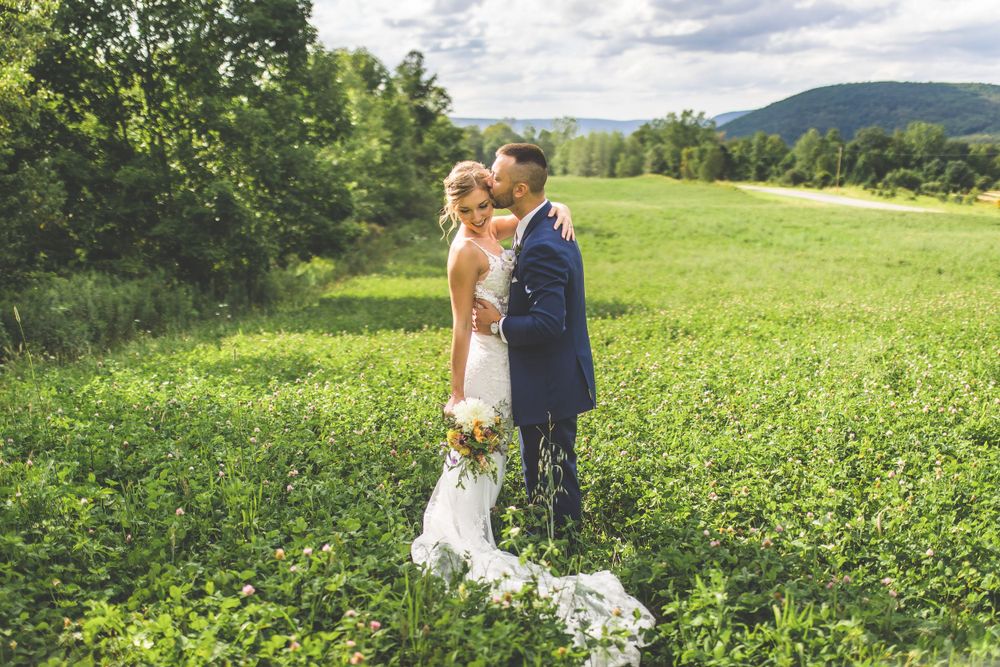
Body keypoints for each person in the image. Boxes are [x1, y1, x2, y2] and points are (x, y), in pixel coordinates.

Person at [411, 157, 654, 666]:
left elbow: (533, 216)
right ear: (449, 209)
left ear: (493, 194)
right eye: (465, 210)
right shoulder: (462, 253)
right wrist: (455, 393)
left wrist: (560, 205)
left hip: (512, 358)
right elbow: (458, 327)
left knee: (504, 454)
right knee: (479, 453)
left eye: (483, 203)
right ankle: (469, 532)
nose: (477, 217)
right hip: (485, 361)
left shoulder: (501, 225)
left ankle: (522, 527)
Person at [473, 143, 594, 535]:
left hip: (550, 378)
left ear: (520, 190)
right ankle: (552, 536)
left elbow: (547, 323)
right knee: (544, 465)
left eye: (497, 176)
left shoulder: (543, 242)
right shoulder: (539, 223)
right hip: (548, 375)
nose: (490, 181)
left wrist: (498, 324)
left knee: (551, 470)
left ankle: (562, 544)